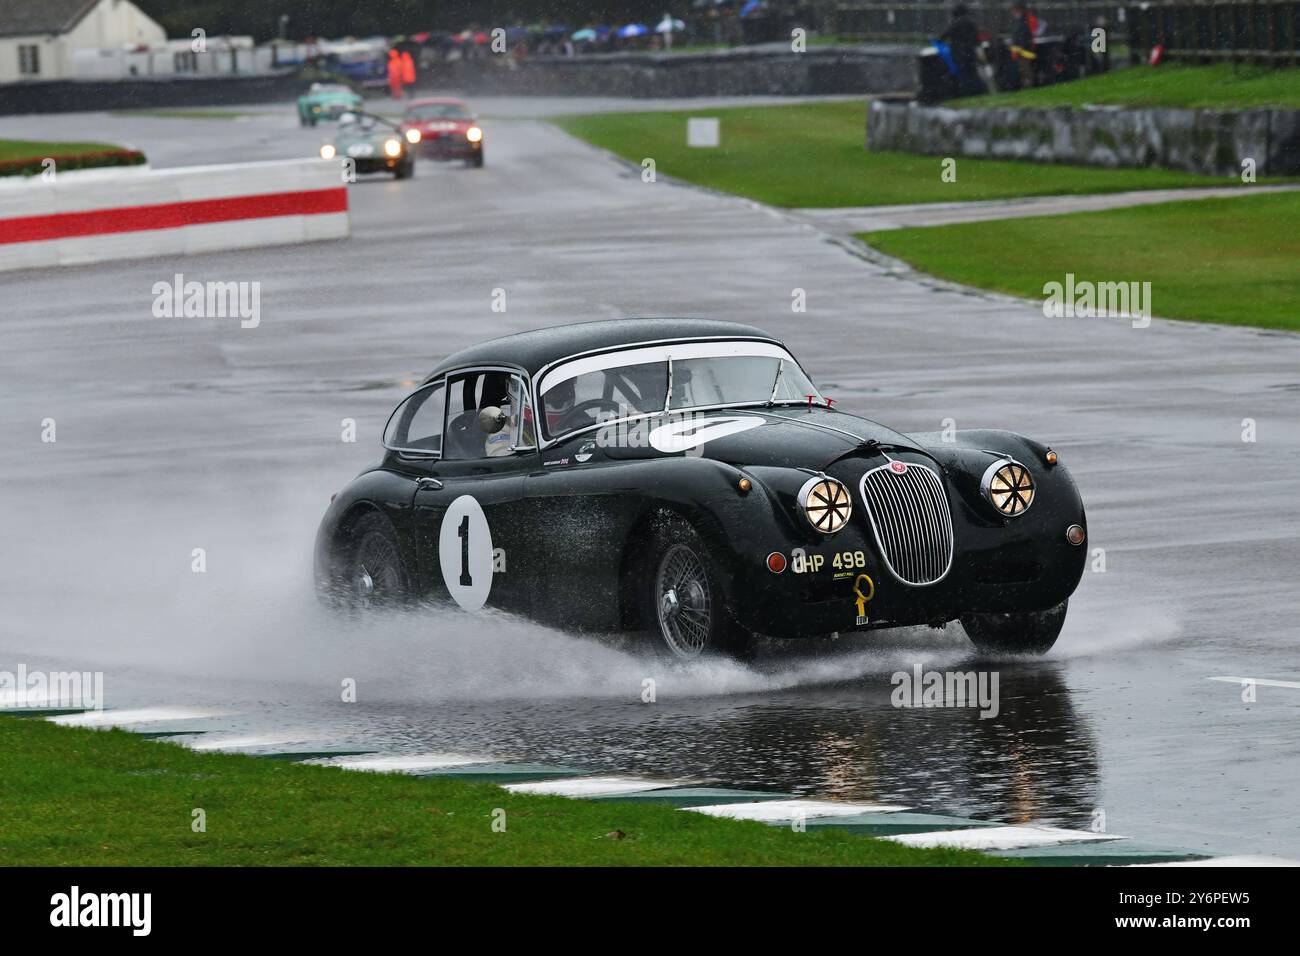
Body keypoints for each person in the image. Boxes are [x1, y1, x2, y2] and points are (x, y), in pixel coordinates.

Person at [940, 4, 986, 97]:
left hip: (958, 53)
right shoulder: (971, 22)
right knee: (972, 72)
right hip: (970, 52)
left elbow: (944, 36)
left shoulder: (955, 23)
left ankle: (967, 92)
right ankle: (979, 91)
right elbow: (977, 38)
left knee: (964, 74)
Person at [1009, 3, 1036, 89]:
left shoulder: (1025, 20)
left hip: (1024, 49)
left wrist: (1021, 46)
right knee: (1022, 68)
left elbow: (1025, 35)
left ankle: (1029, 84)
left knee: (1025, 68)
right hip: (1019, 49)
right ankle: (1026, 84)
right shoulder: (1018, 21)